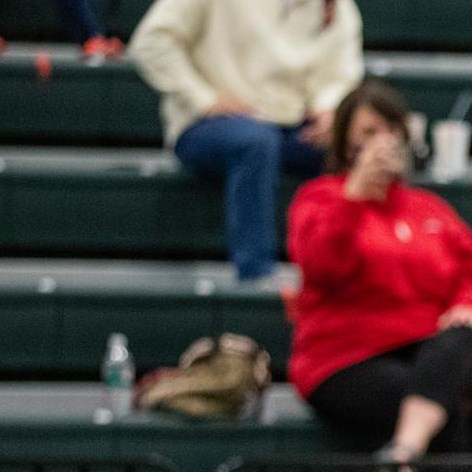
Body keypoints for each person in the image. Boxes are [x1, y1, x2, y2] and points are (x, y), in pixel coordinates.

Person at [288, 79, 472, 472]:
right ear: (345, 143)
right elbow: (322, 267)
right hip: (342, 358)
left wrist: (467, 303)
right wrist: (354, 196)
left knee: (459, 339)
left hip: (425, 349)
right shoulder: (319, 200)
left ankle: (405, 451)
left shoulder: (427, 208)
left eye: (388, 130)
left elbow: (471, 269)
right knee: (441, 398)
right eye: (366, 132)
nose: (379, 143)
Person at [128, 0, 364, 282]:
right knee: (256, 142)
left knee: (362, 146)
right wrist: (203, 98)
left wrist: (329, 107)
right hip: (207, 125)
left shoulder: (339, 6)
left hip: (293, 122)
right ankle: (256, 275)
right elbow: (151, 42)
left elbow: (343, 68)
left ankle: (355, 274)